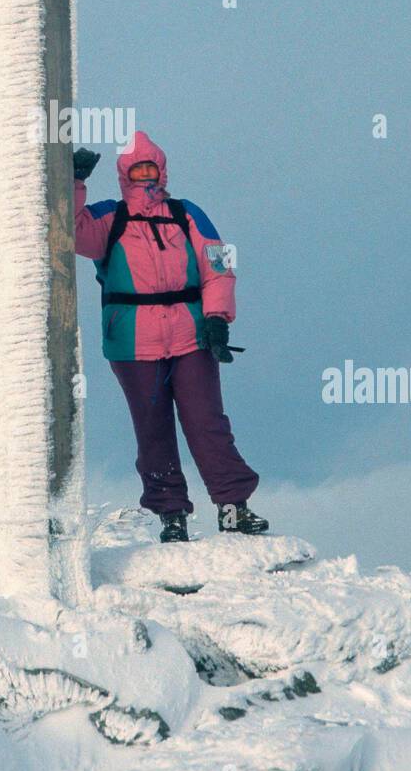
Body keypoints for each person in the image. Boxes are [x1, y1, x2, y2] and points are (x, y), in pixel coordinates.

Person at [74, 131, 267, 542]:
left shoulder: (188, 214)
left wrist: (217, 318)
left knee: (207, 422)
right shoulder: (109, 217)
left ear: (162, 170)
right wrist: (73, 183)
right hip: (132, 342)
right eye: (137, 171)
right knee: (152, 427)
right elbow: (72, 233)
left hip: (192, 336)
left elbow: (219, 264)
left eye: (151, 170)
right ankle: (171, 515)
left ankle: (233, 505)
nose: (146, 179)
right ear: (124, 175)